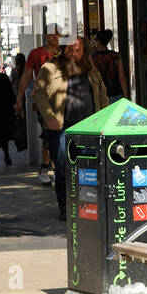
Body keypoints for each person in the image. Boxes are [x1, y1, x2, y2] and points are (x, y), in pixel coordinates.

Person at [33, 35, 108, 220]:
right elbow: (40, 95)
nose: (75, 53)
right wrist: (50, 117)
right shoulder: (50, 68)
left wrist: (106, 120)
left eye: (79, 50)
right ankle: (66, 208)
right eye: (71, 50)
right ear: (64, 50)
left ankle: (88, 205)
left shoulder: (91, 71)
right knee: (63, 170)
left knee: (89, 170)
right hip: (62, 129)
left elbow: (103, 95)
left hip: (90, 130)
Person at [16, 30, 59, 185]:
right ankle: (45, 168)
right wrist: (19, 100)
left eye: (58, 33)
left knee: (59, 135)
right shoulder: (36, 54)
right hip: (44, 100)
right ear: (45, 36)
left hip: (63, 100)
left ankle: (54, 168)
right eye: (52, 34)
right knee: (48, 134)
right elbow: (26, 77)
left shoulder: (65, 52)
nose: (55, 36)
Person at [91, 29, 128, 103]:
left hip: (99, 95)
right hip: (116, 94)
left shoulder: (92, 58)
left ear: (98, 42)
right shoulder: (116, 56)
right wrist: (126, 96)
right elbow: (122, 78)